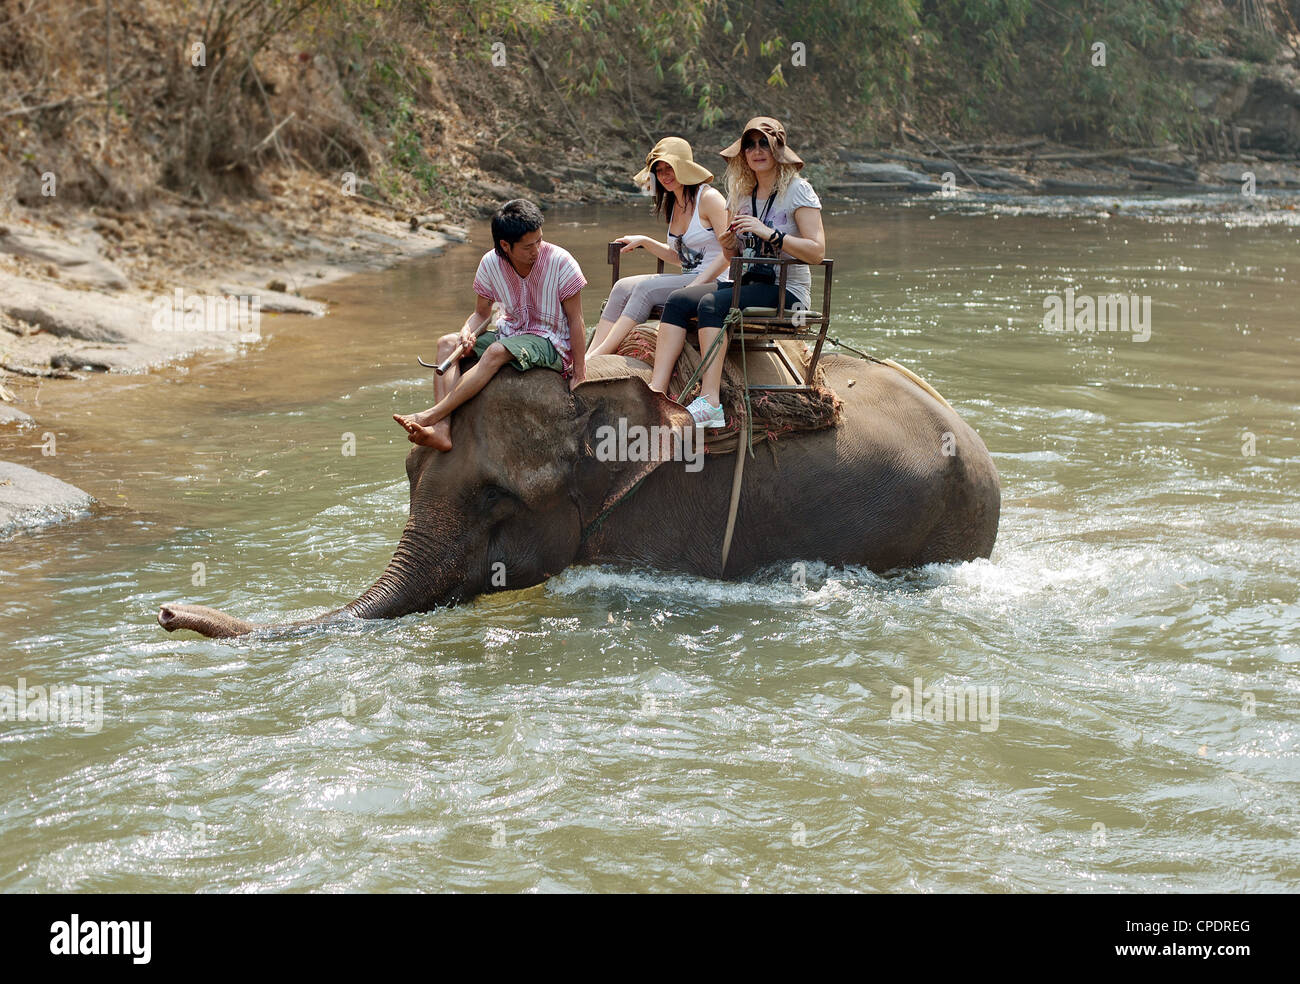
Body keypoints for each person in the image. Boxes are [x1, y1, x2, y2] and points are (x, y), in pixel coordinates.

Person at [648, 117, 825, 428]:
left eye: (763, 144)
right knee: (678, 300)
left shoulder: (798, 191)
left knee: (710, 305)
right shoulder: (742, 194)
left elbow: (817, 251)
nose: (756, 150)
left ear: (777, 150)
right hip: (746, 281)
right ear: (743, 153)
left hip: (786, 288)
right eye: (749, 145)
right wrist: (728, 244)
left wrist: (771, 234)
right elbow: (734, 255)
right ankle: (657, 392)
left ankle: (711, 401)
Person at [393, 199, 587, 451]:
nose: (537, 250)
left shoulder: (561, 262)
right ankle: (442, 430)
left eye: (539, 240)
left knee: (496, 351)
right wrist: (466, 331)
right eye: (528, 246)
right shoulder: (490, 264)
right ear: (505, 245)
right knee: (447, 343)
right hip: (510, 332)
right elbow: (480, 314)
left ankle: (431, 415)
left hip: (551, 341)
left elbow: (576, 319)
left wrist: (579, 370)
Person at [587, 137, 729, 356]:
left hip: (717, 281)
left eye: (669, 168)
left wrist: (698, 282)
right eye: (659, 170)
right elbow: (679, 257)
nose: (664, 175)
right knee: (622, 287)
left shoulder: (710, 198)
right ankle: (591, 351)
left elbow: (730, 253)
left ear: (684, 167)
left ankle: (600, 355)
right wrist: (645, 241)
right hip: (690, 278)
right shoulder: (674, 203)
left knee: (646, 289)